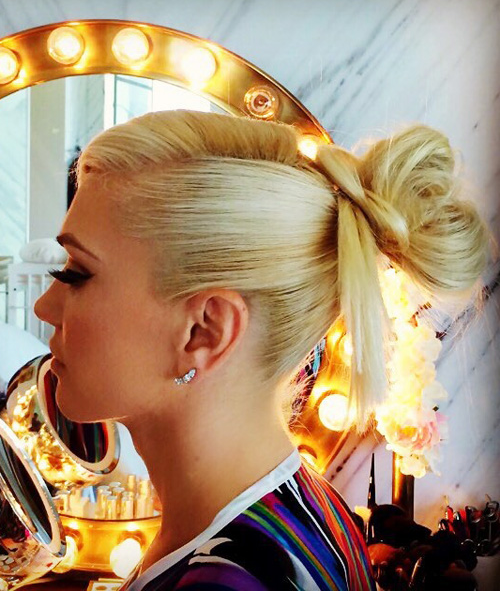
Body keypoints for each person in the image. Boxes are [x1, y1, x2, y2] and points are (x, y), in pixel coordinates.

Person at [34, 110, 490, 591]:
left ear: (204, 331)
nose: (44, 306)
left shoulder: (224, 582)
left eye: (75, 274)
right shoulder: (308, 505)